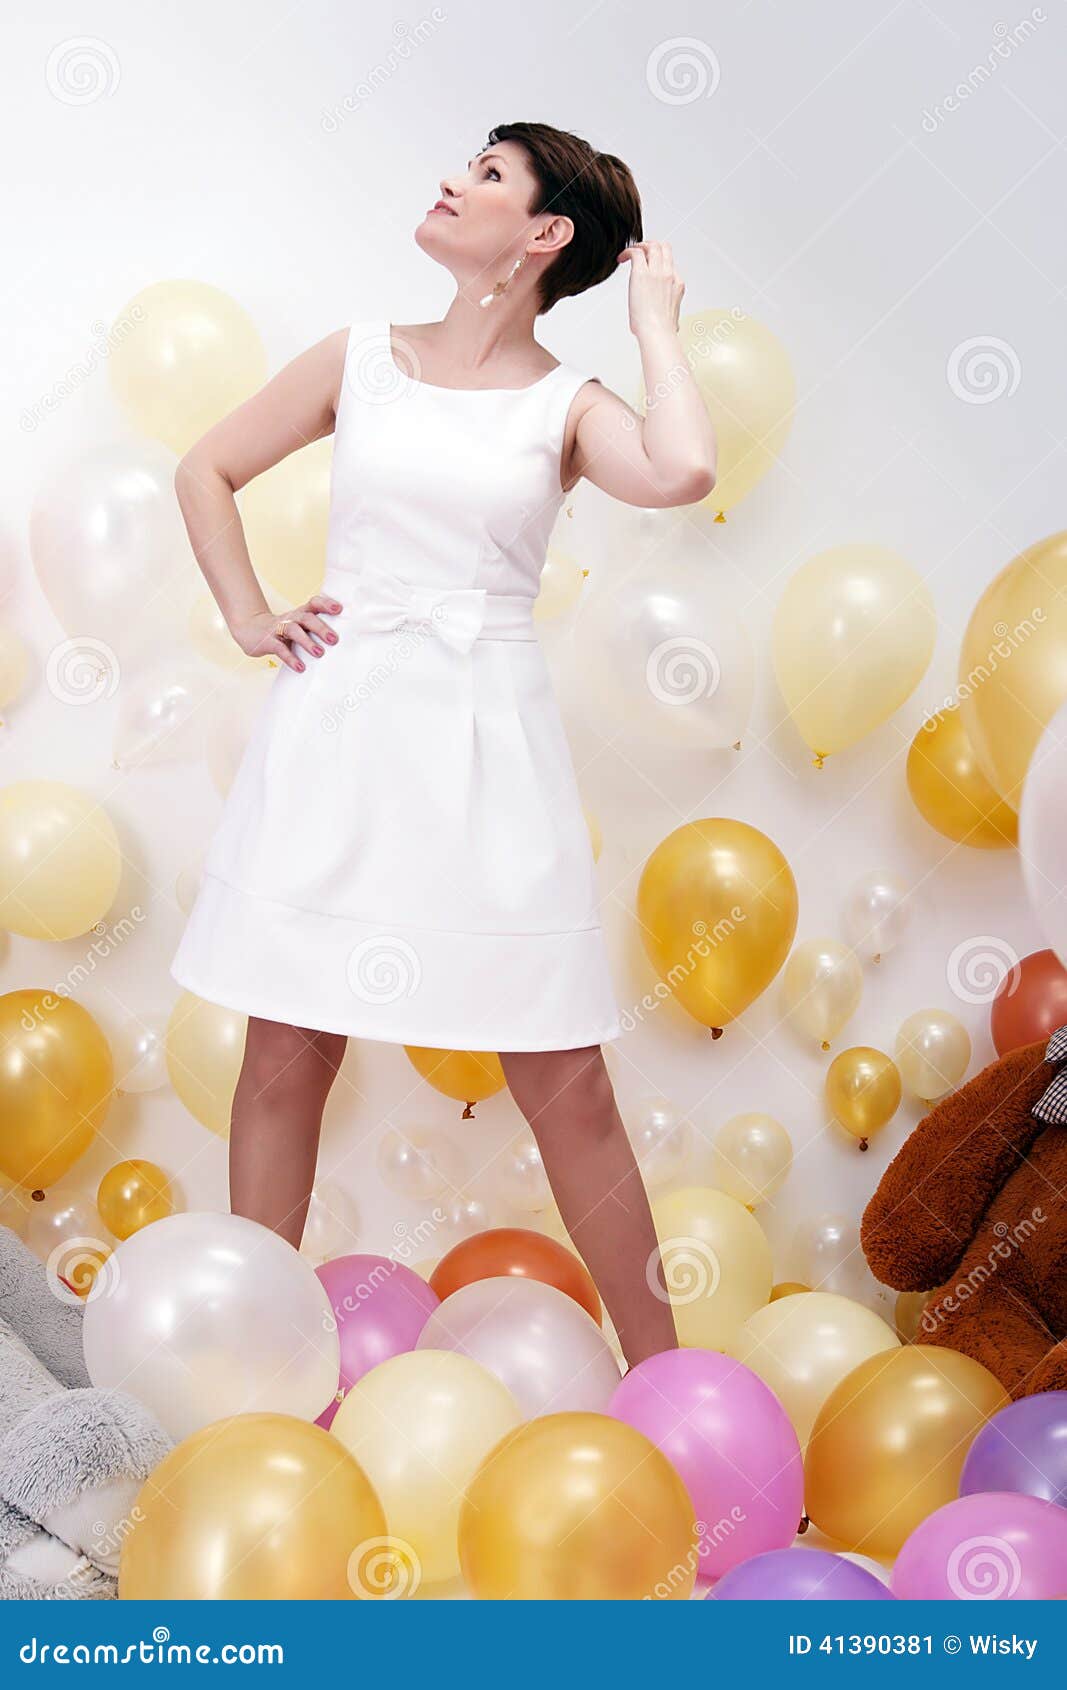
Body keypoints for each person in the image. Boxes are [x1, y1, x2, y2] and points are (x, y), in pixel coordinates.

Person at [170, 121, 717, 1368]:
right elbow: (204, 467)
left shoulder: (565, 405)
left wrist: (654, 328)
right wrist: (251, 615)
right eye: (461, 161)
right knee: (283, 1056)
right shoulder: (356, 357)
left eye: (485, 174)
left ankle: (668, 1380)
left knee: (564, 1080)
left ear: (544, 235)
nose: (448, 179)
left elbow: (682, 466)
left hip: (487, 750)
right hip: (340, 728)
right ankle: (260, 1376)